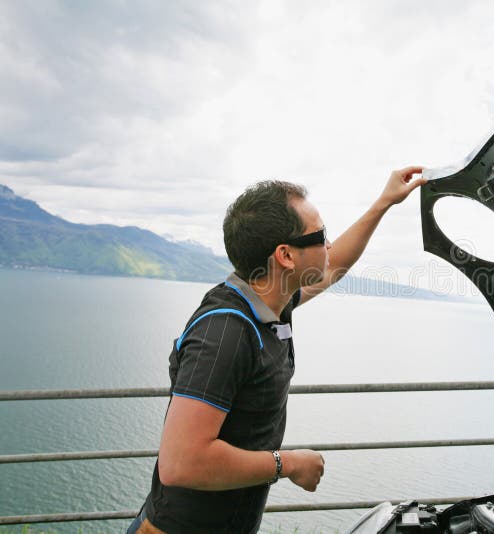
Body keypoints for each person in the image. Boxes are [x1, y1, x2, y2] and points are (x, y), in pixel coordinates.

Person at [127, 166, 426, 533]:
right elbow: (182, 463)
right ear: (285, 255)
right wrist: (288, 463)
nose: (328, 245)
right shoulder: (225, 333)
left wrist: (383, 203)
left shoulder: (271, 303)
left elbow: (335, 265)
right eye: (321, 235)